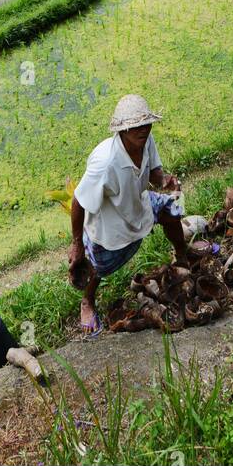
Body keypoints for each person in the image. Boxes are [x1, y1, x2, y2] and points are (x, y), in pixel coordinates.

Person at [68, 94, 188, 333]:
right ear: (122, 130)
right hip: (111, 223)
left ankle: (183, 256)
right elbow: (79, 201)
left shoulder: (146, 140)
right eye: (135, 126)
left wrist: (164, 180)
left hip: (139, 204)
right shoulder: (105, 162)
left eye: (146, 124)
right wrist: (76, 244)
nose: (143, 130)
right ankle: (87, 301)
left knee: (172, 210)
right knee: (98, 267)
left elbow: (154, 173)